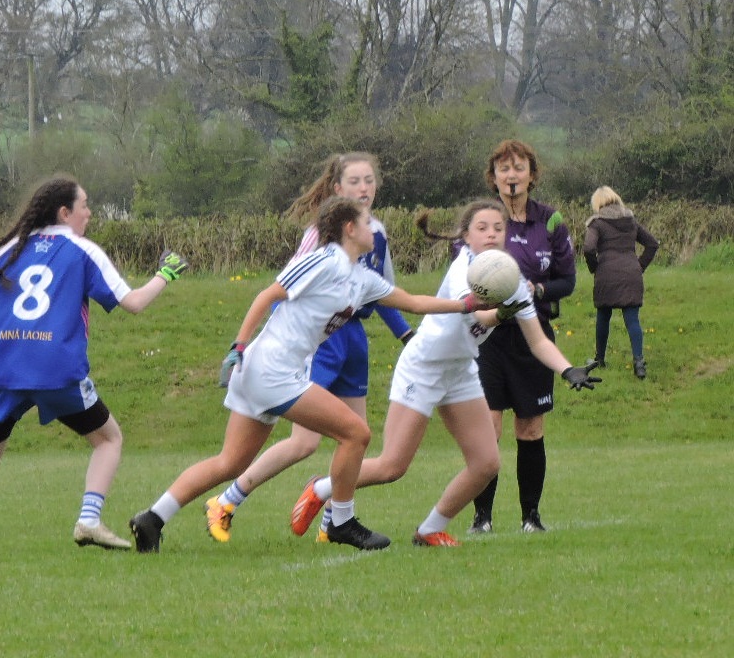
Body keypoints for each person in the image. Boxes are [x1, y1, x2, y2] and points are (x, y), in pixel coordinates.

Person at [129, 195, 490, 554]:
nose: (374, 229)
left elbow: (413, 302)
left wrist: (466, 304)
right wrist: (238, 345)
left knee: (231, 462)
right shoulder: (323, 260)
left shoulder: (361, 278)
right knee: (356, 433)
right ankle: (342, 522)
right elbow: (267, 294)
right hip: (269, 369)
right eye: (367, 223)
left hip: (271, 373)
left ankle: (152, 518)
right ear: (349, 229)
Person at [288, 200, 600, 547]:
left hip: (460, 370)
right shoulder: (465, 269)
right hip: (423, 368)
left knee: (485, 463)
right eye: (482, 228)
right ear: (466, 236)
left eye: (498, 227)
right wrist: (502, 312)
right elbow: (480, 316)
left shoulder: (511, 278)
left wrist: (567, 369)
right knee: (392, 466)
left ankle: (429, 530)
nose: (492, 234)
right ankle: (321, 488)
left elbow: (539, 341)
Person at [0, 175, 188, 552]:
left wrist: (7, 324)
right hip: (56, 369)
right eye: (84, 205)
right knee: (109, 439)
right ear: (65, 212)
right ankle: (89, 520)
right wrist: (166, 273)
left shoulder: (15, 247)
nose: (89, 213)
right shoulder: (82, 250)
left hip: (7, 368)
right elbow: (134, 303)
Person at [204, 152, 414, 544]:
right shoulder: (322, 236)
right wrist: (280, 343)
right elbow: (291, 293)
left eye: (369, 180)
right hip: (323, 340)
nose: (364, 188)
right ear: (337, 189)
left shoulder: (376, 233)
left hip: (354, 341)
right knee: (305, 442)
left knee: (358, 434)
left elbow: (385, 294)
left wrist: (406, 335)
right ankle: (227, 500)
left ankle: (332, 522)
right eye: (354, 182)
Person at [470, 139, 578, 535]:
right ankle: (481, 519)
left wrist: (539, 291)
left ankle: (531, 518)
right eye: (504, 169)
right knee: (489, 429)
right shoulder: (482, 221)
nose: (511, 176)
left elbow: (568, 280)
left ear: (532, 174)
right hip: (489, 338)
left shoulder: (550, 221)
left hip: (534, 336)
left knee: (530, 429)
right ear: (493, 177)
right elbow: (462, 277)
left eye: (519, 168)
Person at [583, 186, 659, 379]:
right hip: (631, 275)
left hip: (606, 275)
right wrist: (639, 266)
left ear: (598, 203)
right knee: (632, 320)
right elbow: (652, 244)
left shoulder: (597, 223)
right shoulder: (631, 221)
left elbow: (589, 248)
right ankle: (639, 363)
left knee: (603, 316)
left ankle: (599, 359)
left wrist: (594, 267)